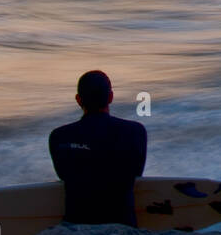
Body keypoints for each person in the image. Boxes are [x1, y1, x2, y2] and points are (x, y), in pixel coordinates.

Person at [48, 71, 147, 226]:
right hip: (123, 228)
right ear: (111, 97)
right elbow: (136, 174)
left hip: (76, 229)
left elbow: (64, 175)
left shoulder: (59, 137)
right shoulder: (135, 132)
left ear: (78, 100)